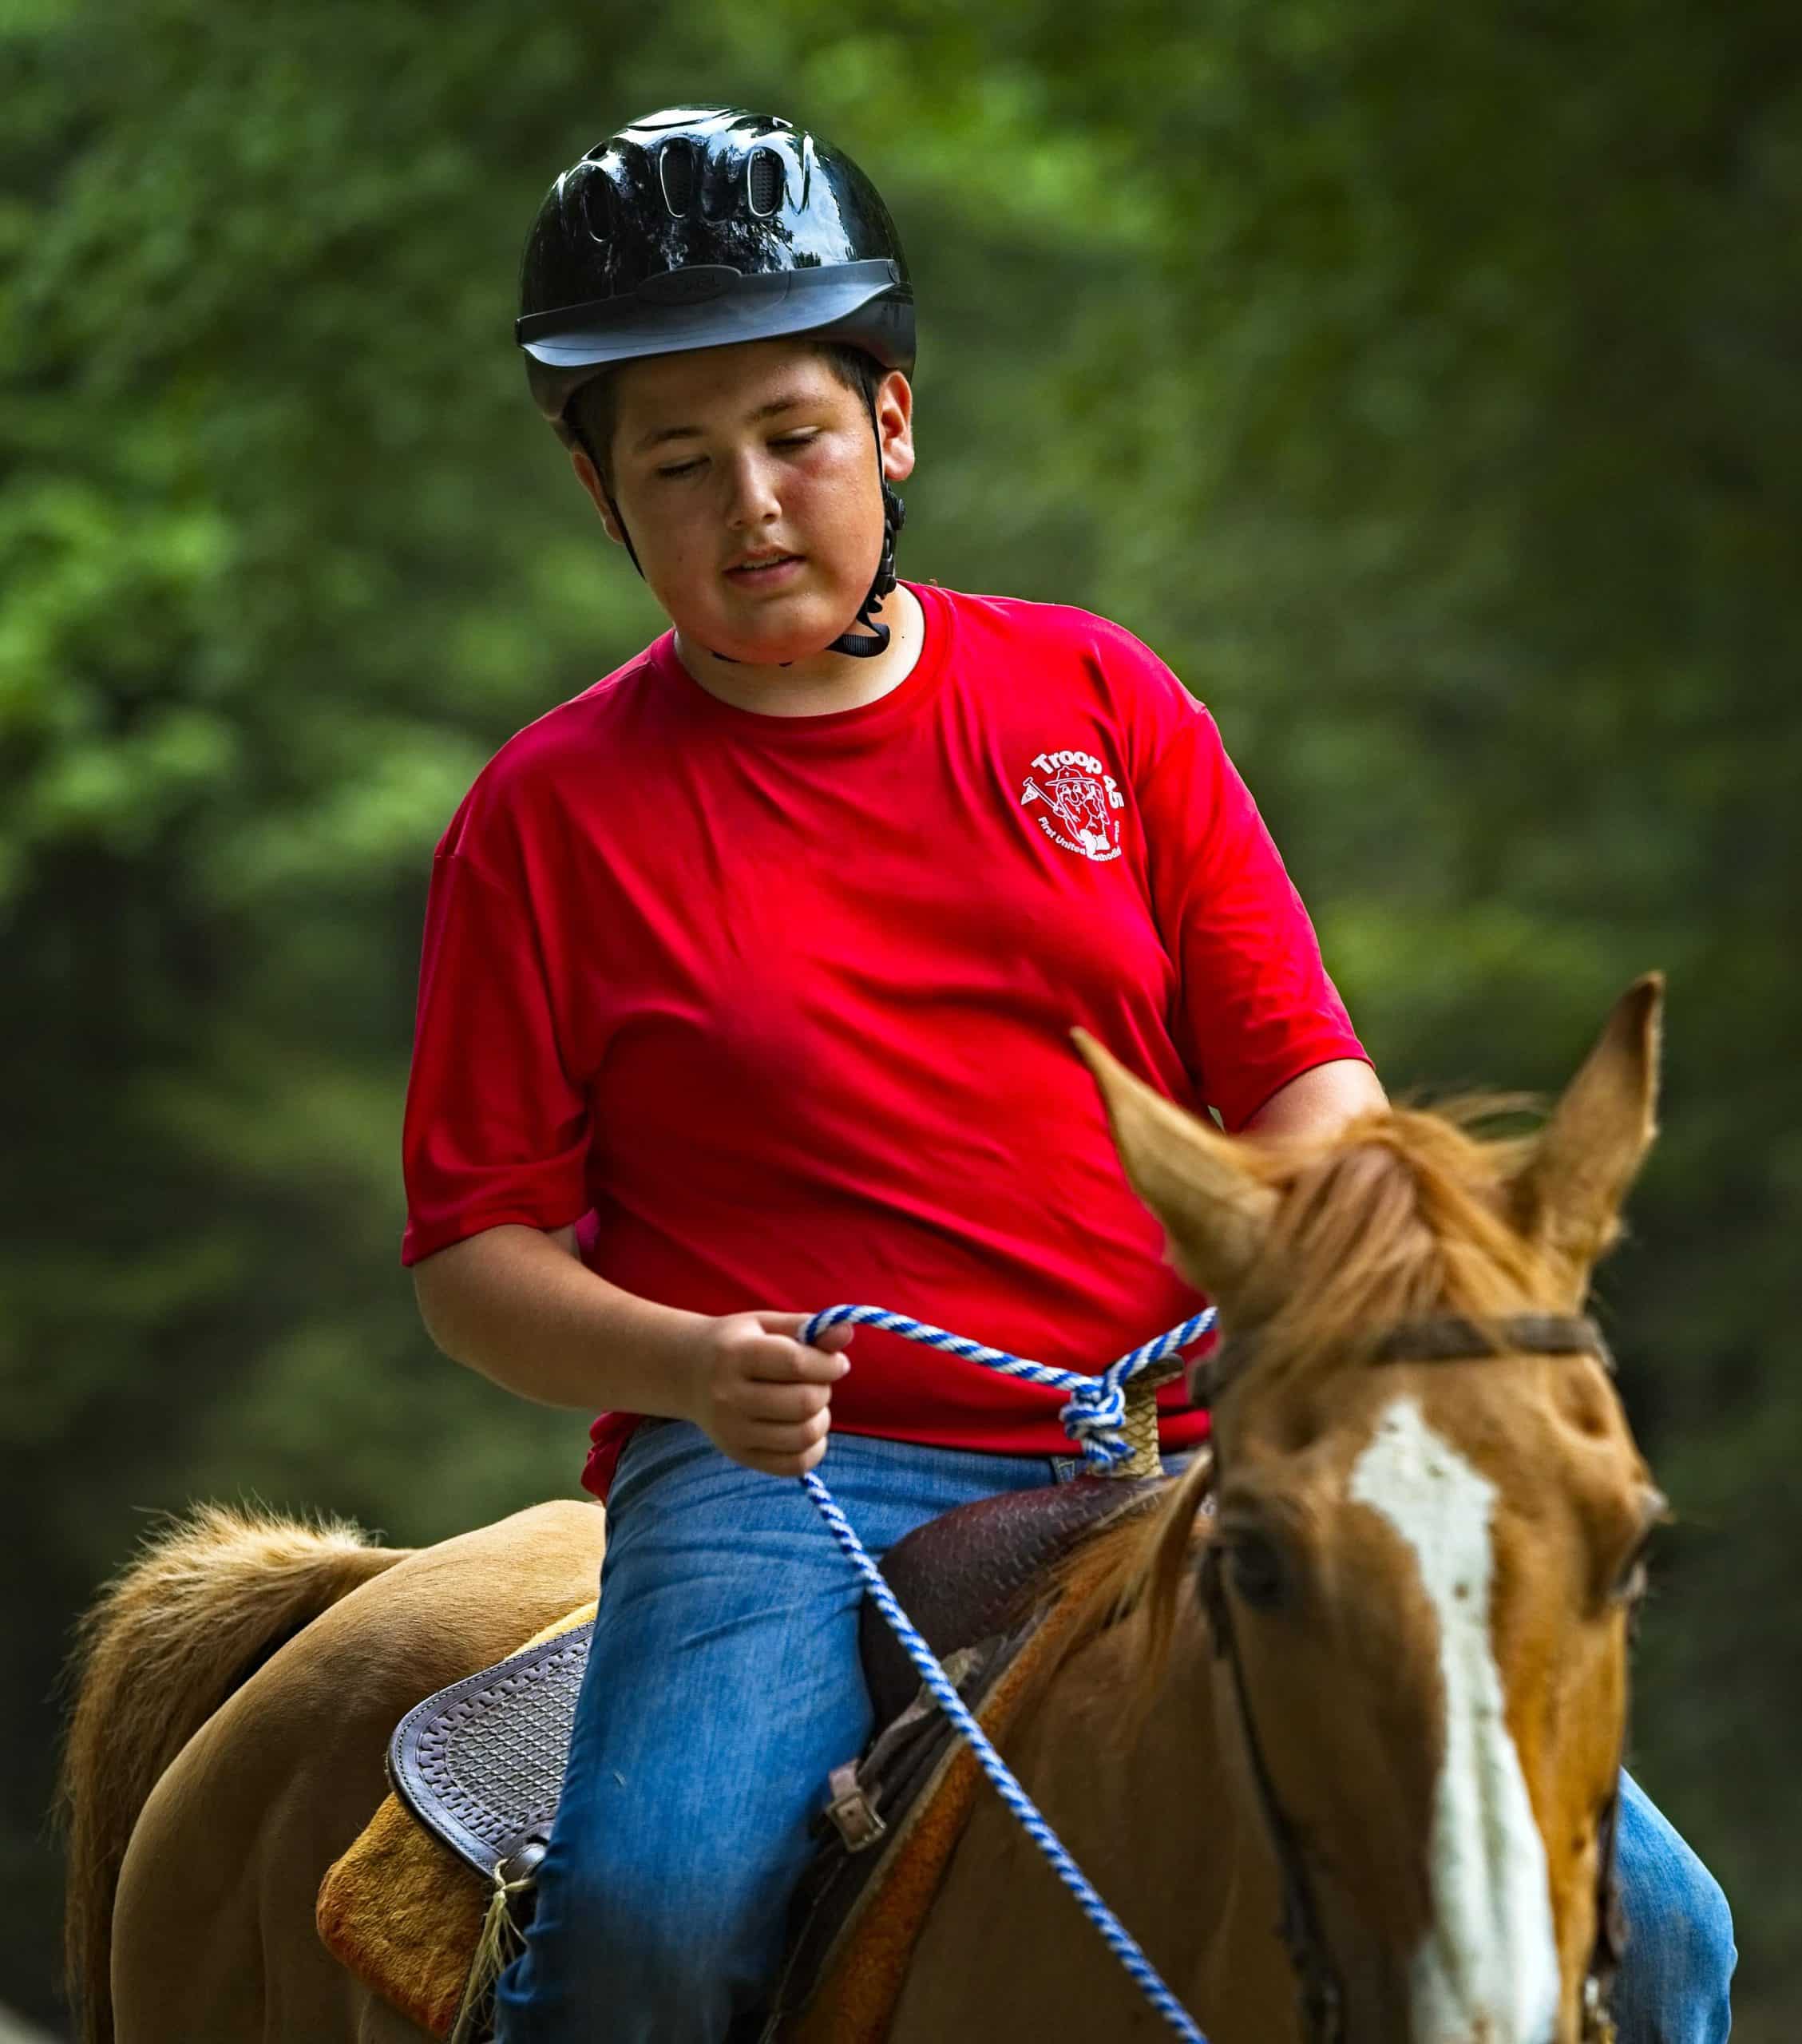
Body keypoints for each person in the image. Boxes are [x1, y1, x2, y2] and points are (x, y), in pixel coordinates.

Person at [400, 105, 1733, 2044]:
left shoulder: (1097, 700)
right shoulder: (546, 818)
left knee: (1668, 1931)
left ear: (891, 425)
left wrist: (1305, 1288)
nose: (750, 502)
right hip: (784, 1482)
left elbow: (1306, 1086)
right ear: (603, 492)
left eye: (793, 434)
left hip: (1167, 1447)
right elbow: (474, 1260)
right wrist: (690, 1365)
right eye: (677, 461)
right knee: (656, 1911)